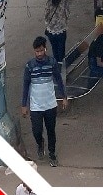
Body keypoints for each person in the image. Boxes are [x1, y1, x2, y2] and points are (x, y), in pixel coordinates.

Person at [21, 36, 68, 167]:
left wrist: (64, 97)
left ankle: (52, 154)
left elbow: (58, 80)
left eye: (41, 50)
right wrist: (24, 105)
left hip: (50, 104)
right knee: (36, 130)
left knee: (51, 130)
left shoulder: (52, 63)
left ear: (45, 49)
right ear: (34, 51)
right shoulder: (29, 66)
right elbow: (25, 85)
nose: (40, 54)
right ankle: (40, 143)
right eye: (37, 51)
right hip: (35, 106)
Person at [44, 0, 70, 66]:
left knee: (55, 50)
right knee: (61, 51)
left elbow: (46, 17)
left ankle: (56, 66)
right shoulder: (64, 2)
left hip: (51, 31)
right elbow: (67, 14)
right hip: (61, 31)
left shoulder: (49, 3)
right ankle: (61, 68)